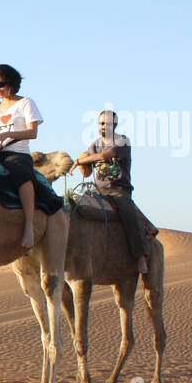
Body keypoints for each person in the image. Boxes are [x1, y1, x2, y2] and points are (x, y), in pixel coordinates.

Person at [0, 64, 42, 249]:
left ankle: (29, 226)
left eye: (1, 84)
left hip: (17, 152)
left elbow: (32, 132)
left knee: (21, 176)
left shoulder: (26, 103)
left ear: (12, 82)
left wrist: (8, 135)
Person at [77, 110, 150, 273]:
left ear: (114, 125)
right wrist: (83, 163)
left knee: (128, 213)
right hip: (97, 189)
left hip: (118, 189)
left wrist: (81, 160)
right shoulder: (94, 145)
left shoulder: (123, 141)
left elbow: (104, 156)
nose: (104, 126)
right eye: (101, 123)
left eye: (108, 123)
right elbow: (87, 174)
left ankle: (141, 256)